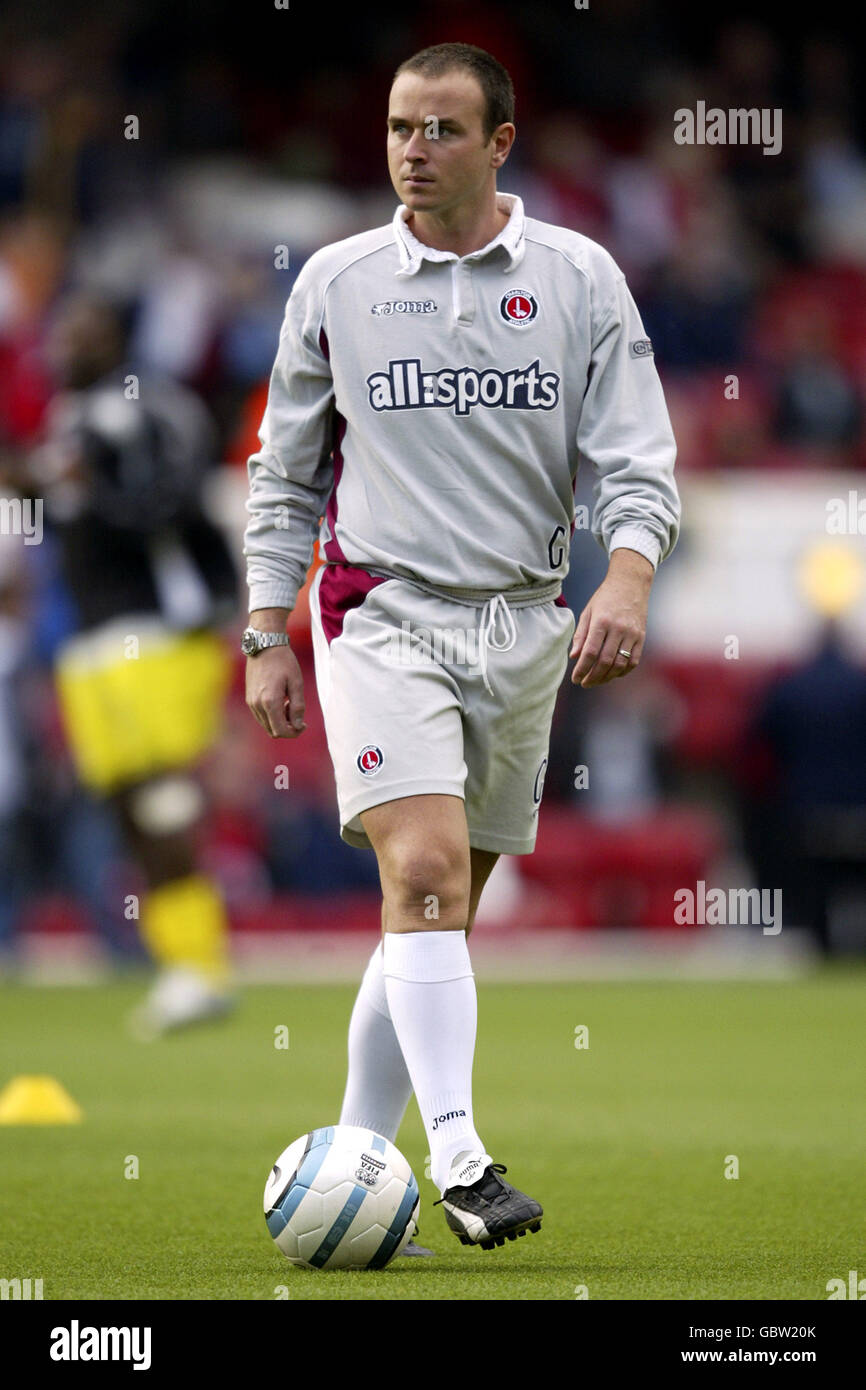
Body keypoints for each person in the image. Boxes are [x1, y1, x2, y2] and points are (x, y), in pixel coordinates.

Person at [244, 42, 680, 1250]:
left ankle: (343, 1163)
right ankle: (462, 1158)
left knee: (430, 912)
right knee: (425, 868)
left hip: (523, 624)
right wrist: (262, 628)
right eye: (396, 128)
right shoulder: (334, 278)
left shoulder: (580, 277)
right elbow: (281, 472)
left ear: (499, 143)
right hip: (377, 611)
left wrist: (628, 578)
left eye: (440, 129)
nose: (410, 150)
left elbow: (638, 460)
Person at [32, 290, 240, 1035]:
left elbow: (175, 499)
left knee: (158, 791)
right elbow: (58, 520)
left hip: (158, 623)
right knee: (127, 800)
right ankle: (183, 963)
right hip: (89, 634)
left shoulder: (149, 406)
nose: (68, 340)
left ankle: (204, 964)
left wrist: (89, 489)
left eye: (85, 325)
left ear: (117, 334)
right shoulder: (70, 418)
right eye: (64, 326)